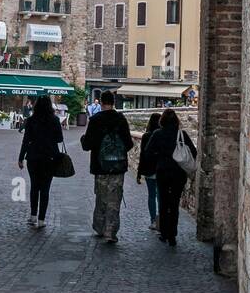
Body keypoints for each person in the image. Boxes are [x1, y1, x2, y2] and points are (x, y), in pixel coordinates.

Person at [80, 90, 133, 244]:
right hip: (118, 167)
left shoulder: (95, 120)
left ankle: (100, 227)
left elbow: (87, 145)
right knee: (114, 200)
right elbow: (129, 144)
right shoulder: (121, 119)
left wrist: (84, 139)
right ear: (114, 102)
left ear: (101, 102)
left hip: (100, 166)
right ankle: (111, 231)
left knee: (101, 197)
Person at [146, 108, 197, 249]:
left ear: (162, 120)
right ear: (176, 121)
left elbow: (148, 152)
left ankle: (164, 232)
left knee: (163, 202)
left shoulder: (157, 134)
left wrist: (160, 155)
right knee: (174, 204)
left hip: (162, 172)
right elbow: (194, 151)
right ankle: (173, 235)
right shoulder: (182, 134)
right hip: (178, 174)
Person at [18, 94, 63, 229]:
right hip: (49, 157)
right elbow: (59, 139)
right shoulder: (54, 120)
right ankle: (42, 219)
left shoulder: (31, 120)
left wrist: (21, 158)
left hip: (33, 157)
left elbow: (26, 140)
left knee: (34, 187)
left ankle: (33, 216)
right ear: (50, 106)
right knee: (45, 189)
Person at [136, 112, 161, 230]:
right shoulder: (163, 135)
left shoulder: (146, 136)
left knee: (151, 196)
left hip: (150, 169)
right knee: (161, 196)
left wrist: (139, 172)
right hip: (161, 170)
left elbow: (142, 155)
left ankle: (153, 221)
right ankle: (161, 220)